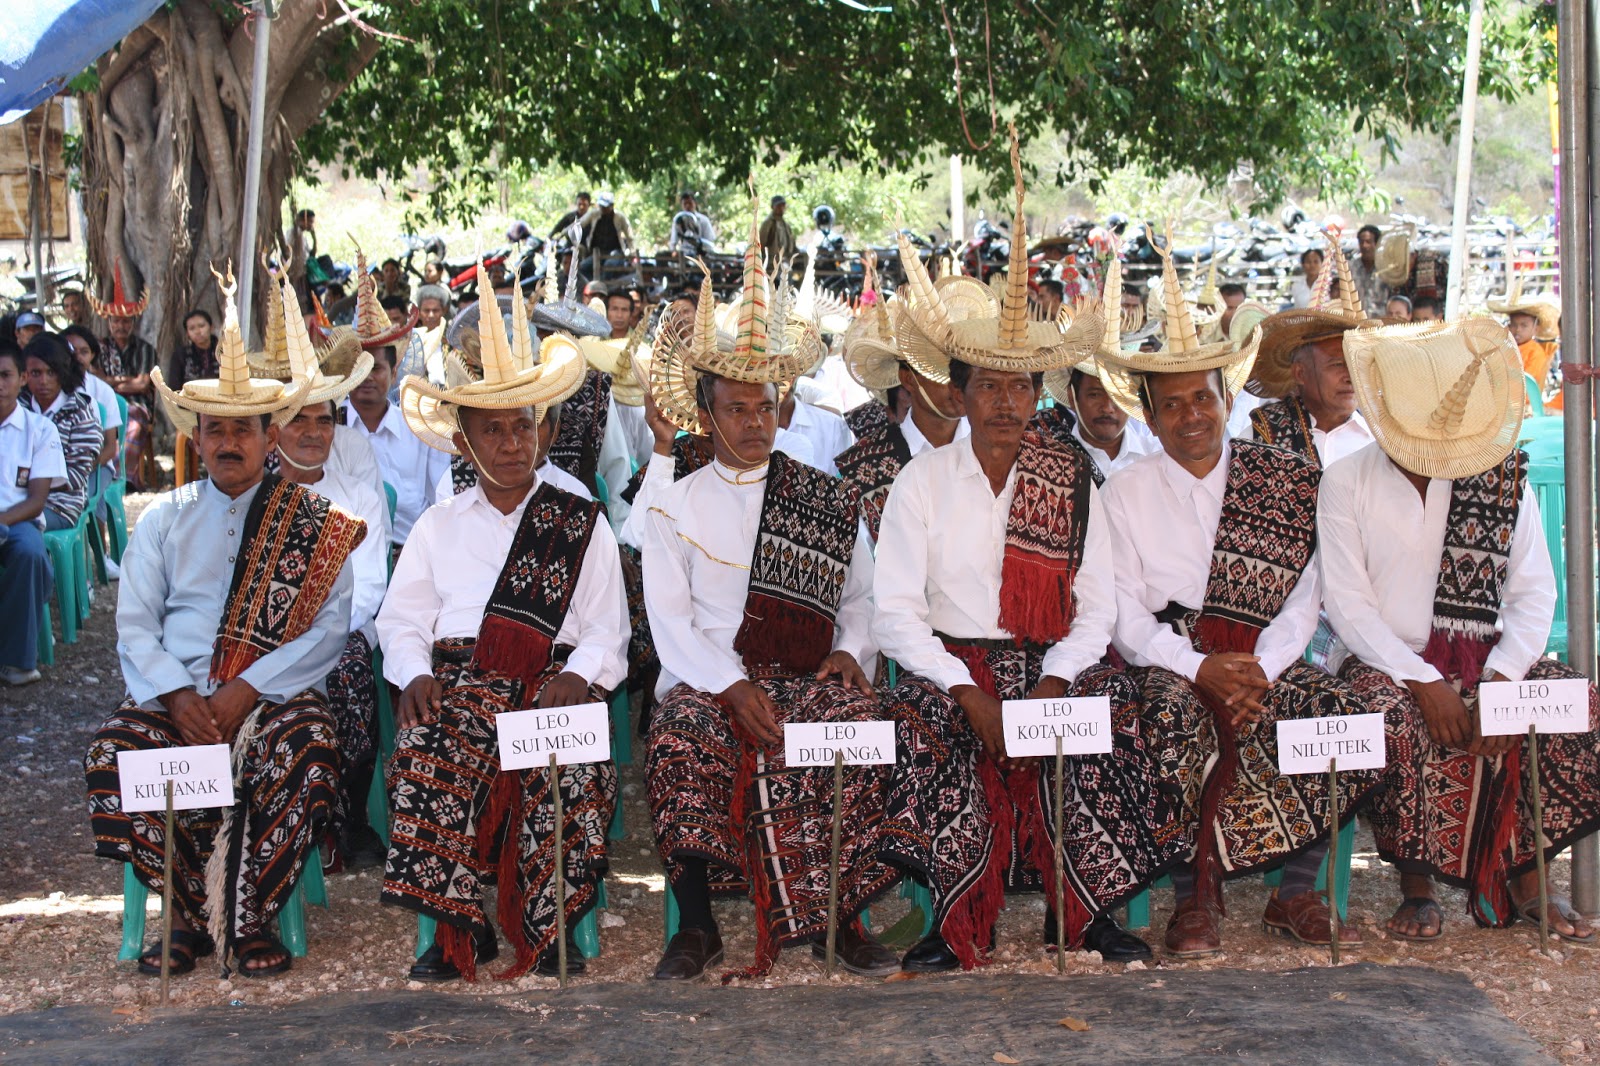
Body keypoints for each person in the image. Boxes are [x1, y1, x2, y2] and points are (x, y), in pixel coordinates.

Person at [874, 150, 1181, 971]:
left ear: (1040, 394)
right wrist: (966, 687)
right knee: (929, 728)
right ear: (959, 394)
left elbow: (1097, 606)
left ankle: (1088, 915)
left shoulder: (1072, 477)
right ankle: (953, 923)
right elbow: (895, 612)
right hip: (957, 663)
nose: (1007, 403)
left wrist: (1055, 680)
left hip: (1052, 664)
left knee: (1104, 716)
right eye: (989, 389)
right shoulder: (920, 483)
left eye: (1021, 389)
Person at [1097, 236, 1376, 958]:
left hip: (1265, 659)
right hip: (1173, 664)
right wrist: (1197, 669)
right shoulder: (1123, 492)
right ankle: (1197, 897)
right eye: (1173, 406)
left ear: (1226, 400)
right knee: (1162, 722)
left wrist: (1263, 667)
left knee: (1346, 720)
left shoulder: (1283, 478)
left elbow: (1309, 591)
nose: (1191, 416)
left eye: (1203, 398)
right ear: (1150, 418)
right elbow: (1122, 611)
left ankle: (1295, 892)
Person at [85, 267, 364, 977]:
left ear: (269, 436)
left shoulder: (316, 525)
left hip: (270, 699)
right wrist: (179, 698)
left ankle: (248, 917)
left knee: (305, 746)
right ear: (198, 437)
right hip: (173, 698)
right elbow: (137, 627)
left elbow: (327, 631)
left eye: (245, 428)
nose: (230, 441)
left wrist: (247, 691)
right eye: (217, 430)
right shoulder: (164, 522)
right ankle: (184, 914)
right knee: (115, 753)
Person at [641, 228, 899, 982]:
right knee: (680, 732)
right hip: (707, 678)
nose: (755, 422)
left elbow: (863, 598)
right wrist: (729, 685)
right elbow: (670, 625)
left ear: (783, 409)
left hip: (803, 671)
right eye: (738, 408)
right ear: (706, 410)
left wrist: (852, 652)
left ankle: (843, 917)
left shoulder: (823, 499)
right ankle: (694, 926)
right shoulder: (673, 508)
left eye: (767, 406)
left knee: (852, 723)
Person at [378, 275, 626, 981]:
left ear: (544, 430)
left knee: (568, 768)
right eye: (495, 429)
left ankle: (549, 931)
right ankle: (460, 928)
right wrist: (415, 673)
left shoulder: (579, 518)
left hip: (555, 679)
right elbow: (400, 620)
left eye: (524, 426)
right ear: (464, 440)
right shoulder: (437, 524)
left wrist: (581, 675)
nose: (514, 442)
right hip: (456, 681)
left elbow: (610, 627)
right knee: (426, 752)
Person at [1323, 317, 1600, 946]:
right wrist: (1423, 679)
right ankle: (1416, 885)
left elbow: (1535, 594)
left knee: (1573, 703)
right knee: (1389, 715)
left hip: (1488, 658)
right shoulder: (1347, 479)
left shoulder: (1501, 477)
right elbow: (1347, 604)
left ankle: (1527, 876)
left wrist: (1503, 678)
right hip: (1385, 658)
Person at [264, 282, 390, 867]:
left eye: (325, 419)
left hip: (340, 635)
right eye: (300, 421)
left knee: (350, 670)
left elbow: (368, 588)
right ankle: (286, 809)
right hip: (262, 635)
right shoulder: (254, 497)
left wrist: (321, 633)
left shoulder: (357, 497)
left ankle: (351, 816)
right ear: (274, 430)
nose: (316, 432)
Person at [833, 257, 967, 540]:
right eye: (940, 370)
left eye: (962, 369)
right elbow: (862, 569)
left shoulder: (993, 447)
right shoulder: (861, 465)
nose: (957, 383)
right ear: (908, 379)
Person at [1246, 233, 1374, 470]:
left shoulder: (1379, 439)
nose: (1350, 376)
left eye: (1357, 362)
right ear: (1300, 373)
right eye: (1337, 364)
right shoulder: (1261, 435)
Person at [1036, 253, 1157, 482]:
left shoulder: (1156, 456)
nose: (1108, 407)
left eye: (1117, 394)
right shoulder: (1048, 463)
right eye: (1094, 394)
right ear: (1073, 398)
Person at [0, 343, 66, 686]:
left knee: (29, 554)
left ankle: (16, 661)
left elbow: (37, 500)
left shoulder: (39, 429)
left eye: (5, 375)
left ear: (21, 379)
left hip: (16, 519)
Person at [344, 340, 448, 550]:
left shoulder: (419, 428)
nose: (367, 376)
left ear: (393, 374)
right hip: (348, 553)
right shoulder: (331, 427)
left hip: (411, 550)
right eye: (359, 368)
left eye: (376, 368)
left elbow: (442, 496)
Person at [20, 333, 102, 531]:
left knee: (19, 529)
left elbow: (76, 475)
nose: (44, 381)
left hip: (60, 505)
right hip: (13, 498)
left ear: (63, 372)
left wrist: (26, 482)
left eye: (51, 372)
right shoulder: (17, 408)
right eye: (36, 373)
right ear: (24, 375)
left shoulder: (80, 411)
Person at [91, 261, 157, 491]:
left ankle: (121, 478)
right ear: (109, 323)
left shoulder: (145, 349)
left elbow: (142, 384)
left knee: (133, 421)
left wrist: (111, 382)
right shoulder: (98, 348)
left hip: (137, 405)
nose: (121, 325)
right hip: (103, 403)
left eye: (126, 321)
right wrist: (124, 382)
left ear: (133, 324)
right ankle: (107, 475)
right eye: (116, 321)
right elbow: (96, 380)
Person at [61, 325, 122, 496]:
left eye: (84, 352)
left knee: (89, 497)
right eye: (72, 351)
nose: (77, 358)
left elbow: (110, 448)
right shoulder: (52, 389)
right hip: (56, 469)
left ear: (92, 355)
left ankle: (98, 522)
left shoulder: (103, 391)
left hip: (98, 465)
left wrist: (82, 469)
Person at [169, 310, 220, 390]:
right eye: (192, 328)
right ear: (187, 334)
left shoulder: (224, 352)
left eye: (201, 326)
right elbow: (175, 388)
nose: (197, 331)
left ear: (211, 327)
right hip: (190, 401)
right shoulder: (181, 355)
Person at [1349, 224, 1391, 318]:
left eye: (1368, 242)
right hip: (1355, 323)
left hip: (1380, 323)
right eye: (1361, 242)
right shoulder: (1350, 268)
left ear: (1377, 243)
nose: (1364, 246)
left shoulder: (1386, 268)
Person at [579, 192, 633, 262]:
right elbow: (580, 223)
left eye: (605, 206)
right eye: (601, 206)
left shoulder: (619, 217)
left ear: (612, 205)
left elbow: (629, 236)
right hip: (597, 253)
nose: (602, 208)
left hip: (615, 253)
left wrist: (632, 252)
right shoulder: (594, 214)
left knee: (609, 264)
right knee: (583, 267)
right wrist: (563, 234)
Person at [668, 191, 717, 255]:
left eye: (690, 203)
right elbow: (673, 241)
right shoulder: (678, 220)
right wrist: (673, 251)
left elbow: (710, 240)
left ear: (695, 203)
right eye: (685, 204)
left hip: (702, 254)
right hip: (684, 254)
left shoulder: (704, 220)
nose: (687, 206)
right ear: (682, 205)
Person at [759, 194, 796, 275]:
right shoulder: (768, 224)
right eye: (778, 206)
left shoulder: (785, 225)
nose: (781, 208)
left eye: (783, 206)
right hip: (771, 264)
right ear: (773, 207)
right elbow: (760, 244)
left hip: (785, 261)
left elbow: (791, 243)